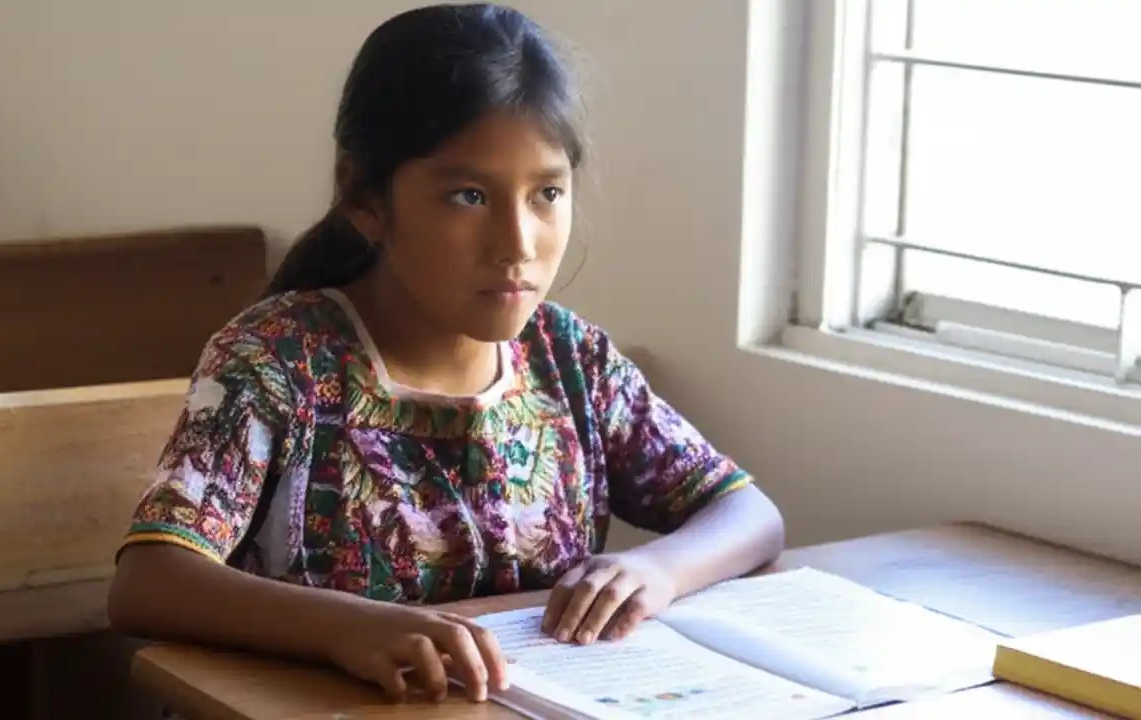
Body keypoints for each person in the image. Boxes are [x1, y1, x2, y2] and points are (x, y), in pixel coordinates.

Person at [108, 1, 784, 705]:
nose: (517, 243)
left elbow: (748, 515)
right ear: (365, 199)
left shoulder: (571, 361)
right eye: (468, 195)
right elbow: (150, 581)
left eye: (547, 193)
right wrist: (349, 628)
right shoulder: (279, 361)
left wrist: (657, 571)